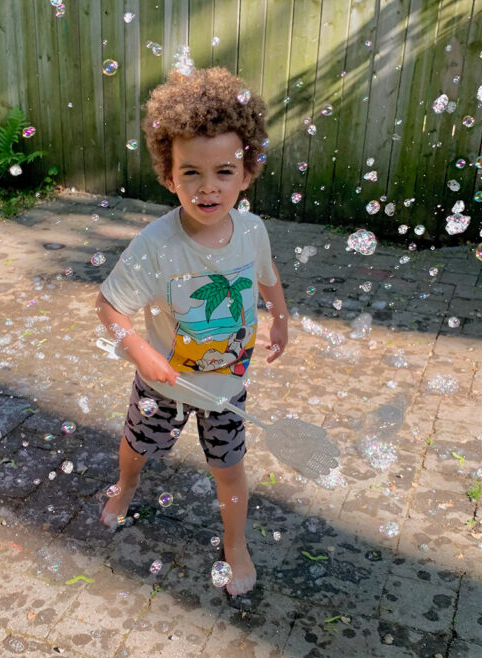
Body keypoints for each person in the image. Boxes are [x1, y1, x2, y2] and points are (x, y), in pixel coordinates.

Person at [95, 67, 288, 595]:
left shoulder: (252, 230)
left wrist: (282, 317)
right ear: (168, 175)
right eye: (191, 174)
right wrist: (135, 347)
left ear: (247, 173)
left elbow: (268, 278)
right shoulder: (156, 245)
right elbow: (109, 305)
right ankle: (126, 485)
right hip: (163, 385)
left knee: (230, 469)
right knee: (138, 446)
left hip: (228, 388)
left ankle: (235, 543)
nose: (208, 188)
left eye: (224, 171)